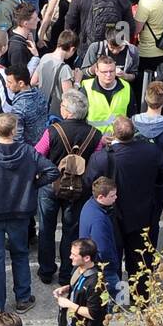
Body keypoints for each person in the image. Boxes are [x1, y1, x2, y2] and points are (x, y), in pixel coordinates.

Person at [0, 112, 60, 314]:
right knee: (20, 254)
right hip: (20, 211)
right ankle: (23, 298)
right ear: (15, 130)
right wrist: (32, 185)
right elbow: (52, 171)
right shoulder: (28, 152)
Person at [86, 116, 163, 299]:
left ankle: (119, 298)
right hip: (143, 216)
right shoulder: (151, 151)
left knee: (113, 261)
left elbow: (89, 182)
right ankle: (140, 299)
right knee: (141, 261)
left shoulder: (102, 158)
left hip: (112, 217)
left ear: (113, 132)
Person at [33, 89, 103, 285]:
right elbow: (96, 161)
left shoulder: (52, 131)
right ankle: (66, 273)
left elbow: (37, 154)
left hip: (50, 186)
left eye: (62, 106)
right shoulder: (95, 135)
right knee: (71, 231)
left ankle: (46, 271)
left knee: (46, 228)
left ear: (68, 112)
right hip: (79, 189)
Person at [54, 238, 108, 326]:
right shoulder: (79, 268)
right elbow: (79, 285)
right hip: (73, 325)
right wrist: (67, 288)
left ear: (87, 258)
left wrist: (68, 304)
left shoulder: (96, 283)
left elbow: (93, 314)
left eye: (74, 255)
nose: (70, 257)